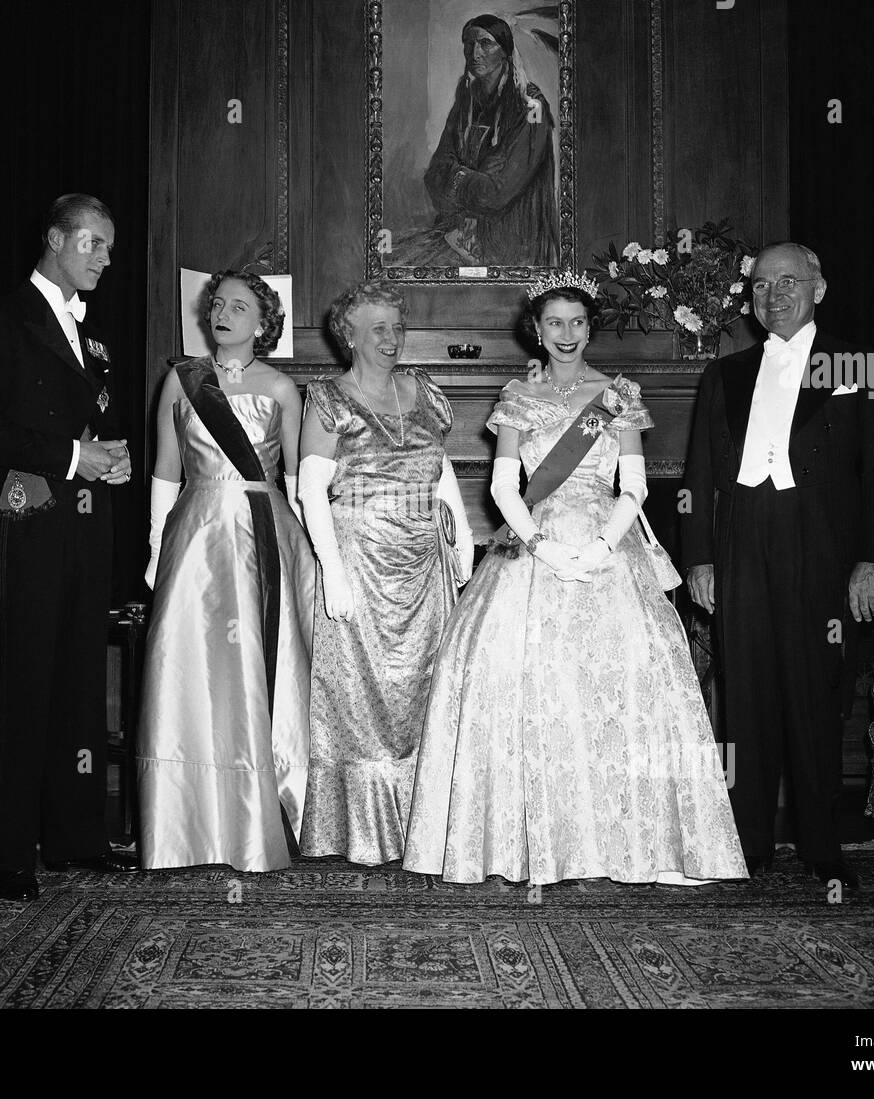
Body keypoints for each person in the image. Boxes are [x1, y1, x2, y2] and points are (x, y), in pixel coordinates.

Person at [404, 272, 746, 887]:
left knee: (620, 682)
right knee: (525, 681)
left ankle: (624, 843)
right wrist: (540, 548)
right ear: (536, 329)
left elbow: (636, 485)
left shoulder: (618, 395)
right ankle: (531, 842)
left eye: (578, 322)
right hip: (533, 545)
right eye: (554, 323)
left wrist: (599, 547)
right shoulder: (517, 395)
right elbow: (504, 487)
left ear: (591, 328)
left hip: (605, 544)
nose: (566, 335)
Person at [682, 242, 874, 896]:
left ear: (819, 287)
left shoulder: (857, 363)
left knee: (817, 695)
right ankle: (746, 843)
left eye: (787, 282)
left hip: (823, 547)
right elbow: (697, 474)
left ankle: (821, 846)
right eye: (759, 285)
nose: (772, 295)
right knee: (743, 695)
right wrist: (698, 555)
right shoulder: (723, 374)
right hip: (740, 541)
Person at [0, 194, 136, 901]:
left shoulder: (95, 338)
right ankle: (11, 855)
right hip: (25, 521)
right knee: (20, 683)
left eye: (110, 247)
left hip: (86, 526)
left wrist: (109, 459)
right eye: (92, 243)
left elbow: (89, 426)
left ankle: (75, 837)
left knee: (78, 685)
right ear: (55, 240)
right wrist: (72, 458)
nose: (105, 258)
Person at [137, 271, 314, 872]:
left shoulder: (283, 389)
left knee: (252, 670)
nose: (224, 314)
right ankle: (184, 825)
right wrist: (158, 549)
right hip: (195, 534)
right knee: (187, 667)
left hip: (261, 535)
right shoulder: (182, 380)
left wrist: (308, 553)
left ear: (263, 324)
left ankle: (258, 814)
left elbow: (298, 481)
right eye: (217, 304)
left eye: (239, 307)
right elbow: (164, 469)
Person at [298, 280, 474, 865]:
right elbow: (309, 490)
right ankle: (366, 834)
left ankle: (427, 825)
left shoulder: (423, 389)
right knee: (362, 697)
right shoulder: (328, 397)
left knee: (426, 688)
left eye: (397, 327)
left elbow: (439, 465)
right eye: (378, 328)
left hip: (424, 562)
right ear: (348, 335)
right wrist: (335, 573)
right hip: (360, 561)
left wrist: (466, 530)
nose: (391, 338)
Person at [395, 14, 557, 268]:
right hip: (458, 233)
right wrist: (472, 177)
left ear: (505, 51)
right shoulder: (467, 99)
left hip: (510, 243)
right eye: (469, 44)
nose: (475, 53)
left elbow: (498, 192)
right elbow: (435, 174)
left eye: (485, 43)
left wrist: (457, 175)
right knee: (398, 258)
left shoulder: (529, 106)